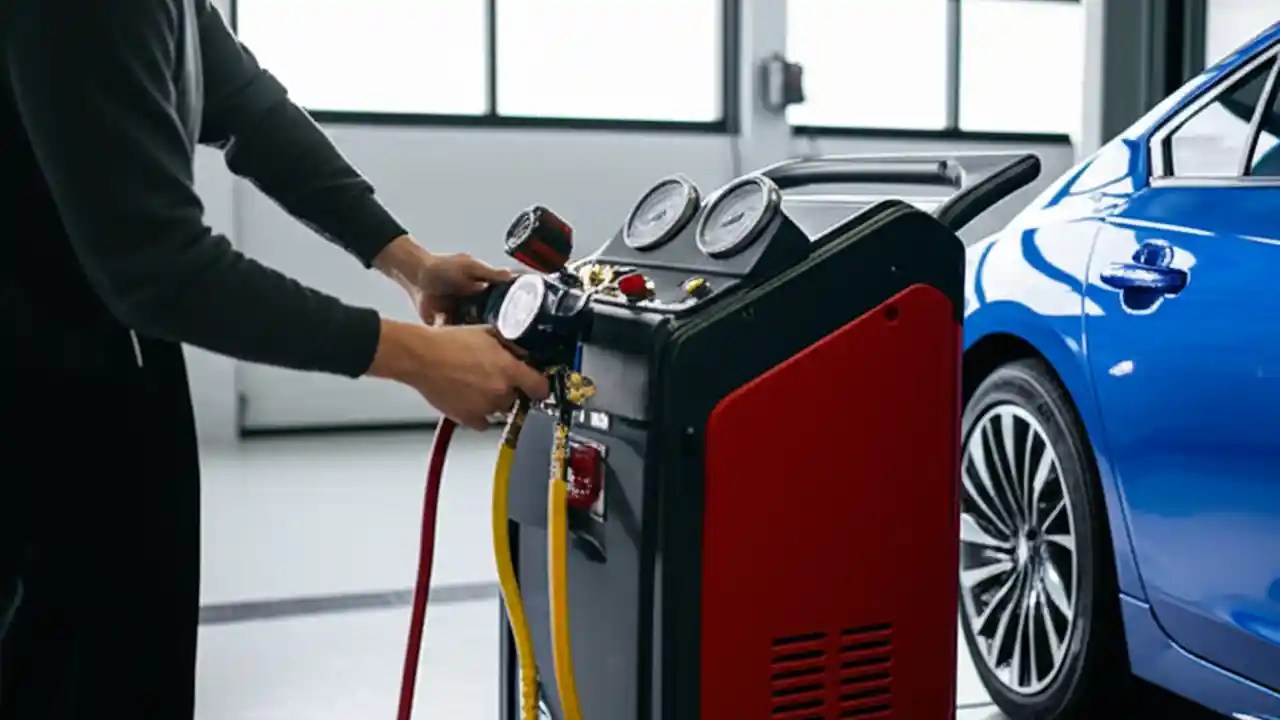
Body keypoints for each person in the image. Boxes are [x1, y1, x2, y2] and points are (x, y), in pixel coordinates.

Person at [0, 0, 549, 716]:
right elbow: (158, 268)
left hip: (116, 370)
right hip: (42, 395)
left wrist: (407, 261)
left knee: (131, 663)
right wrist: (422, 358)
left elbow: (245, 106)